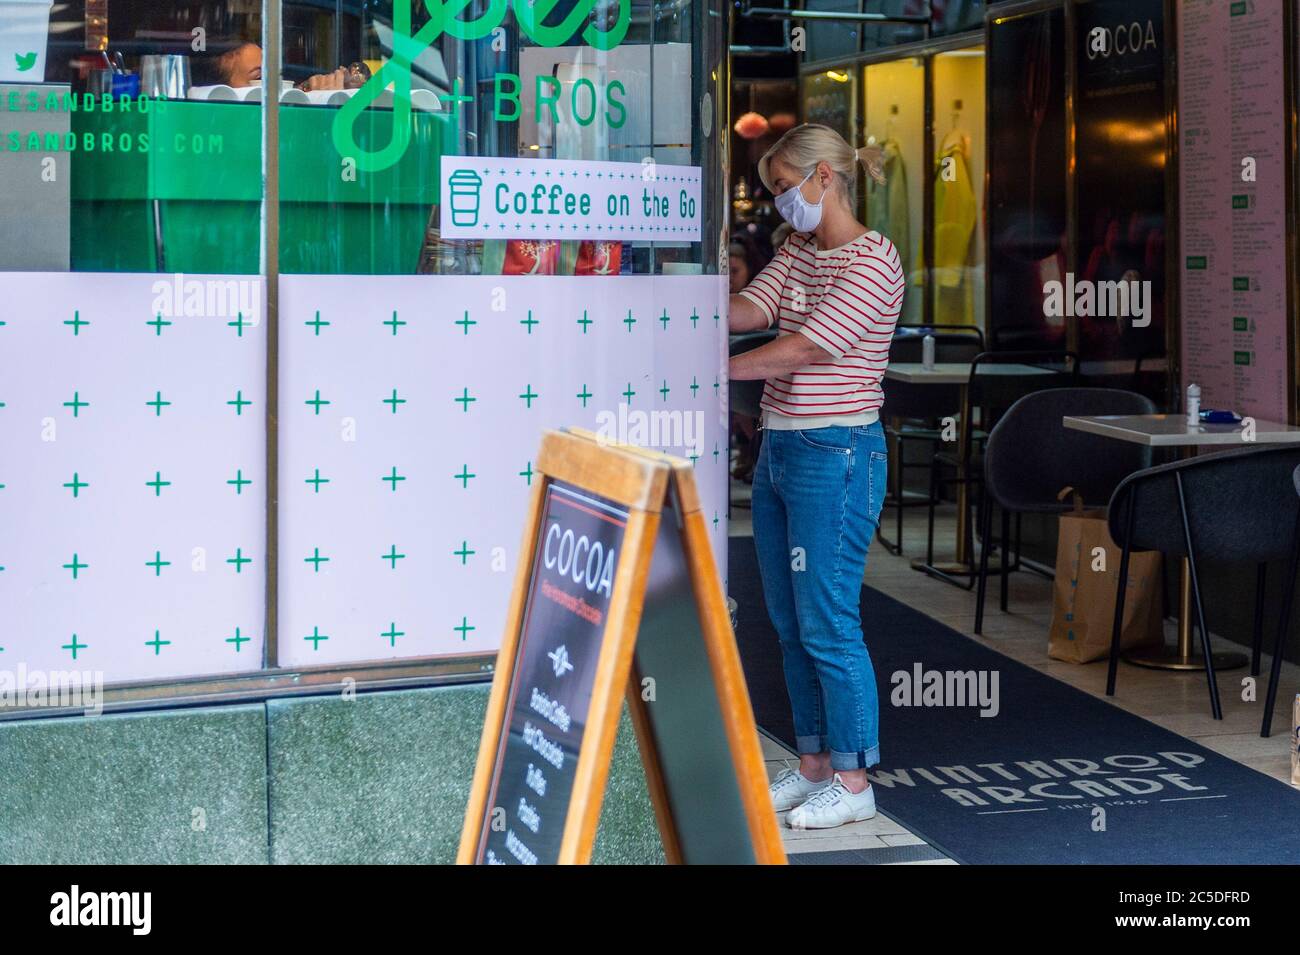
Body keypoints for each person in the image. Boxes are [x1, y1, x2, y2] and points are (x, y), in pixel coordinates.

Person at [728, 123, 903, 830]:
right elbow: (755, 310)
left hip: (839, 454)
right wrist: (689, 304)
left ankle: (856, 778)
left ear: (823, 178)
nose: (779, 204)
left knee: (829, 622)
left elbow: (803, 348)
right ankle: (813, 767)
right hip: (780, 451)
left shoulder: (874, 260)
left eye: (782, 188)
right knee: (788, 620)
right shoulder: (800, 251)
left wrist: (715, 366)